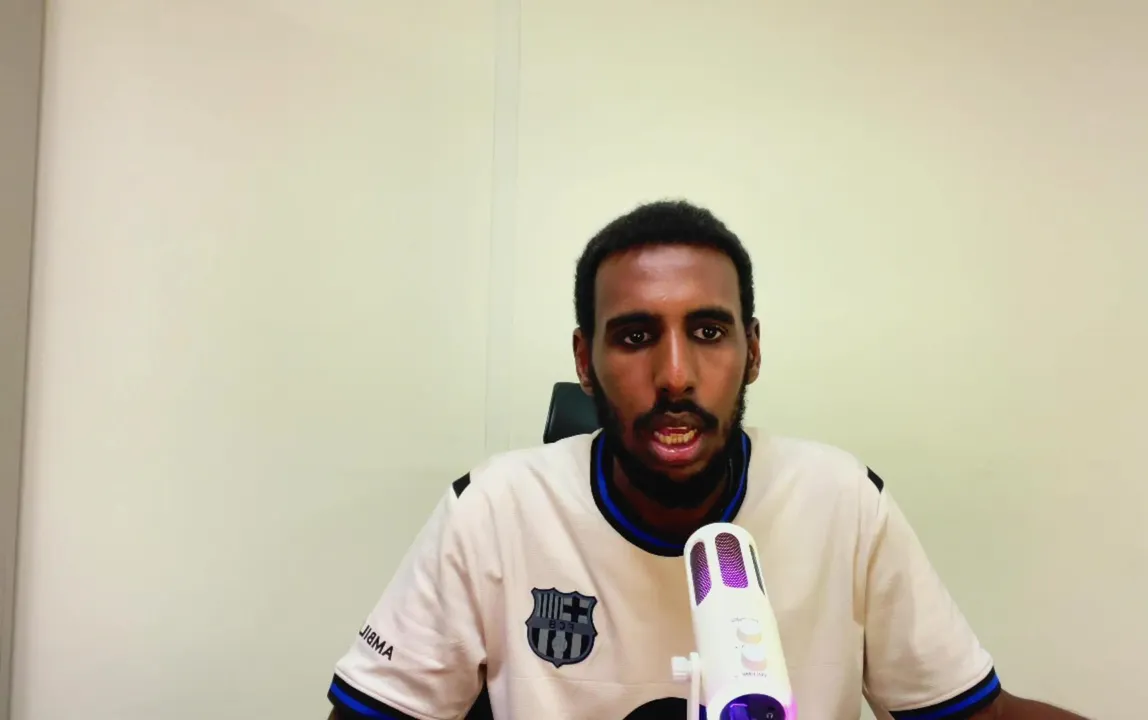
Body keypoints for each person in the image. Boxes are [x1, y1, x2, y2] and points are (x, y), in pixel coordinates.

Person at [324, 201, 1087, 719]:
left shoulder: (842, 502)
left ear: (752, 350)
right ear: (585, 362)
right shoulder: (493, 510)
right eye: (635, 337)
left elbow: (972, 714)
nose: (676, 375)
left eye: (709, 333)